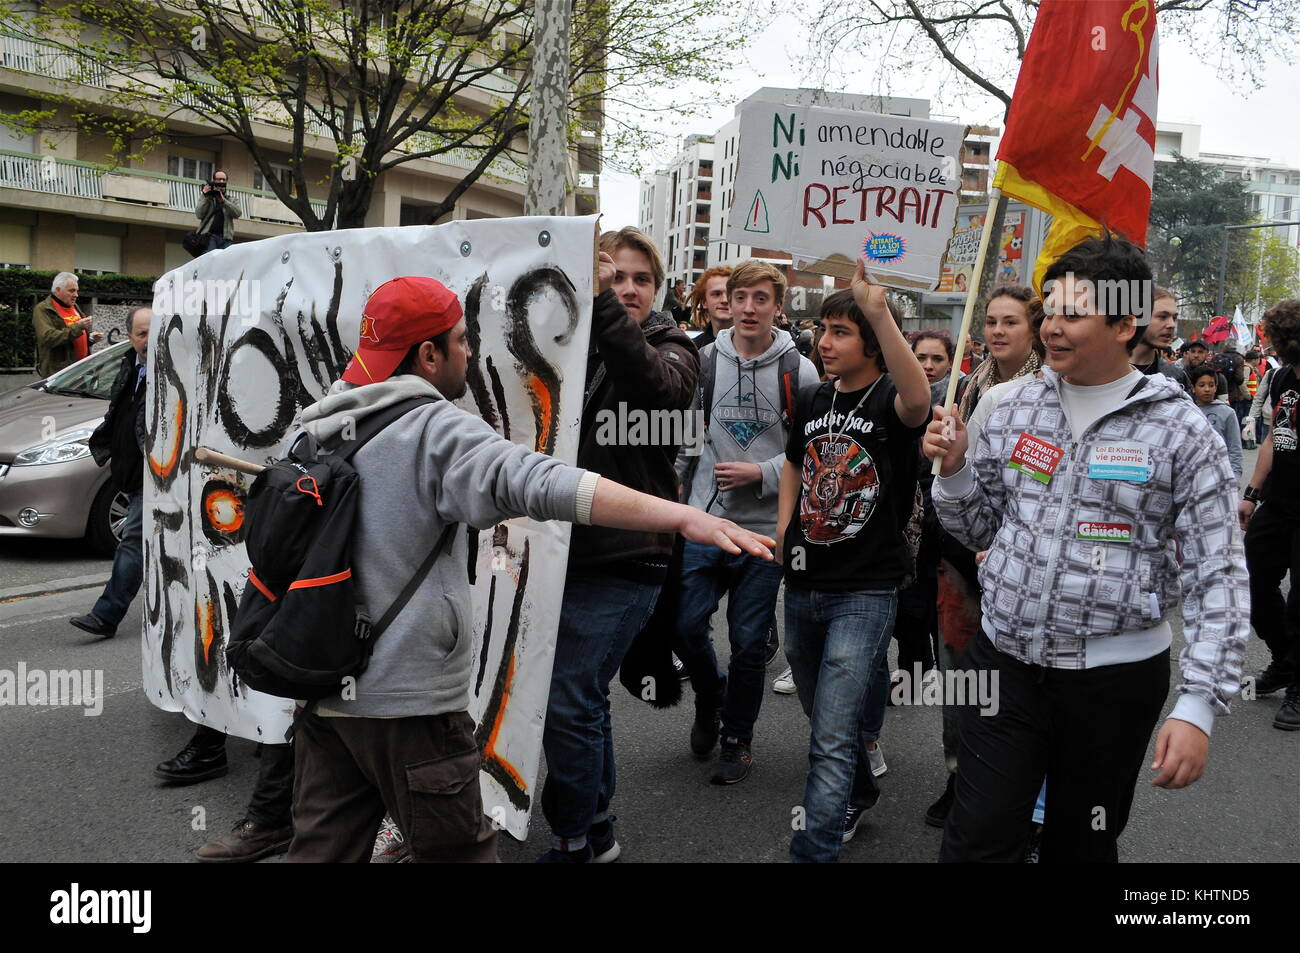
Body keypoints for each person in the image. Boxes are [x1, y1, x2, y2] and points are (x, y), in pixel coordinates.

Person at [283, 269, 768, 863]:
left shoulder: (312, 427)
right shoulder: (436, 429)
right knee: (459, 851)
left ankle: (589, 823)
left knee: (323, 849)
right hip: (407, 701)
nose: (471, 349)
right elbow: (542, 482)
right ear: (430, 353)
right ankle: (584, 831)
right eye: (462, 339)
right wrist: (680, 516)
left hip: (323, 691)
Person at [926, 232, 1249, 862]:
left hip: (1115, 682)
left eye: (1073, 314)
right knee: (977, 839)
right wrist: (956, 470)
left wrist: (1199, 704)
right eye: (1049, 310)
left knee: (1083, 843)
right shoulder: (1011, 404)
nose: (1052, 327)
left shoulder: (1182, 428)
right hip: (1004, 662)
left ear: (1126, 323)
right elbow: (980, 528)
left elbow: (1220, 574)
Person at [539, 227, 703, 862]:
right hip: (558, 548)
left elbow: (658, 392)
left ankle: (575, 835)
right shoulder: (565, 342)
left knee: (565, 695)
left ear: (657, 290)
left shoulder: (673, 346)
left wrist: (602, 302)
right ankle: (597, 826)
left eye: (640, 279)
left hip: (629, 556)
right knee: (583, 697)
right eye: (614, 274)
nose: (625, 287)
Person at [777, 263, 931, 862]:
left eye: (841, 331)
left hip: (867, 590)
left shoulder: (893, 398)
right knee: (822, 714)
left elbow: (920, 398)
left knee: (835, 733)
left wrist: (880, 310)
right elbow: (794, 461)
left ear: (868, 342)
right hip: (804, 579)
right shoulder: (814, 396)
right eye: (823, 328)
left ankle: (813, 849)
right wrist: (785, 522)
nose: (824, 341)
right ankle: (860, 788)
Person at [673, 261, 817, 783]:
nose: (750, 308)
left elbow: (811, 455)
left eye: (762, 299)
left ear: (777, 306)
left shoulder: (799, 371)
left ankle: (738, 739)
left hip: (763, 531)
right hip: (705, 523)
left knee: (749, 640)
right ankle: (710, 697)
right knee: (685, 626)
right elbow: (686, 438)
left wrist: (761, 472)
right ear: (727, 304)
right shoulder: (703, 361)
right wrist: (678, 494)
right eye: (741, 298)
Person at [925, 285, 1045, 830]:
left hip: (1017, 567)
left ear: (1036, 329)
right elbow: (946, 482)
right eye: (991, 321)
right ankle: (960, 775)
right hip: (958, 555)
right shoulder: (966, 389)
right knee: (958, 677)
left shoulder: (1049, 396)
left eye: (1011, 322)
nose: (997, 332)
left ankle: (1025, 801)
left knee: (1015, 692)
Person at [70, 306, 151, 638]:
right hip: (129, 474)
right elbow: (119, 413)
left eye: (155, 331)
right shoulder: (130, 366)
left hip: (157, 477)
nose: (150, 340)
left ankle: (106, 615)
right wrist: (104, 444)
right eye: (142, 333)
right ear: (130, 337)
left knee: (133, 543)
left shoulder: (176, 371)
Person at [1238, 298, 1300, 729]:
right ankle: (1285, 661)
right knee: (1253, 579)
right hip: (1278, 501)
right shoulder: (1281, 378)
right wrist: (1251, 493)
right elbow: (1274, 439)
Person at [32, 272, 99, 378]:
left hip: (81, 370)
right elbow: (48, 337)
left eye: (76, 291)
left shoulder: (74, 306)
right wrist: (78, 326)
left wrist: (89, 338)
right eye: (71, 291)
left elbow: (75, 337)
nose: (76, 295)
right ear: (58, 290)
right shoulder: (43, 309)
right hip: (59, 374)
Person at [1130, 286, 1190, 392]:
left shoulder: (1176, 377)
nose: (1172, 324)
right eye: (1162, 316)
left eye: (1174, 318)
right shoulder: (1102, 371)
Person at [1189, 365, 1243, 480]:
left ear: (1216, 387)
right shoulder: (1187, 411)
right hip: (1192, 474)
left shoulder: (1228, 412)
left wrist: (1236, 474)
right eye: (1201, 385)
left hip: (1220, 473)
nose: (1207, 389)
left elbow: (1235, 447)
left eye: (1211, 385)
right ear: (1193, 388)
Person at [194, 169, 241, 254]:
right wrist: (205, 196)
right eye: (219, 179)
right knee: (210, 264)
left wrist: (223, 201)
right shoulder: (208, 198)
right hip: (209, 237)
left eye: (224, 180)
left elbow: (238, 213)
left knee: (224, 265)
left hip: (226, 239)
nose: (221, 181)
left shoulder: (231, 199)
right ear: (214, 181)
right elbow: (199, 214)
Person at [688, 266, 733, 349]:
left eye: (730, 294)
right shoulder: (692, 349)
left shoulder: (758, 347)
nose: (725, 300)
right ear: (704, 302)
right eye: (716, 294)